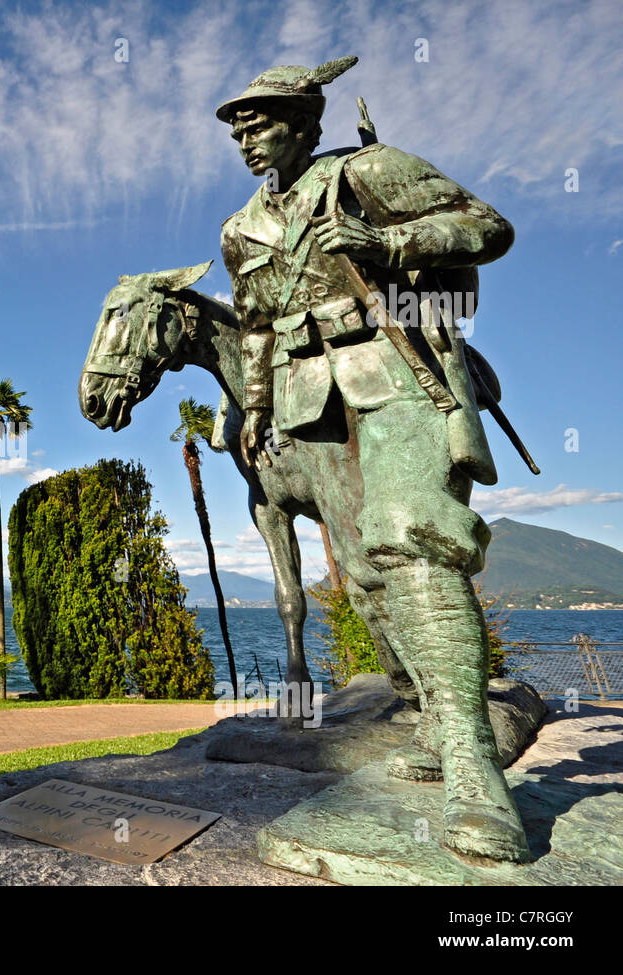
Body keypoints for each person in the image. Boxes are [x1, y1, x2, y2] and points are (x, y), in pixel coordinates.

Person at [216, 55, 528, 862]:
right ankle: (430, 713)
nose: (249, 140)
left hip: (390, 370)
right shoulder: (239, 230)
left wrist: (384, 240)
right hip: (301, 398)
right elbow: (253, 329)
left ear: (305, 122)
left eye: (263, 123)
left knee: (412, 535)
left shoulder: (367, 171)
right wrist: (252, 412)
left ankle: (471, 761)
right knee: (363, 571)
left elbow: (486, 226)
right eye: (239, 130)